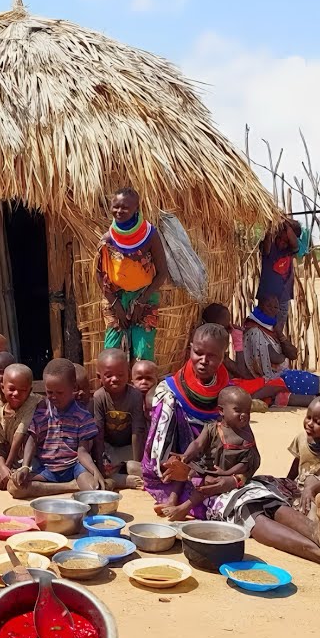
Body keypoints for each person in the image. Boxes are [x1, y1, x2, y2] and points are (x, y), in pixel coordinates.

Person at [204, 395, 320, 573]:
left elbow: (248, 462)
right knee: (255, 507)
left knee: (265, 499)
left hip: (246, 488)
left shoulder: (234, 431)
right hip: (233, 492)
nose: (244, 417)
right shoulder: (210, 431)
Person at [140, 323, 233, 517]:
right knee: (167, 403)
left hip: (209, 457)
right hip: (178, 451)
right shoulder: (173, 387)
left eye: (212, 356)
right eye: (198, 352)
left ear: (223, 356)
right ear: (190, 348)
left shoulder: (228, 393)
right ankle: (173, 493)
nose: (203, 360)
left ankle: (180, 495)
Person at [8, 359, 106, 499]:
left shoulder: (82, 416)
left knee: (94, 489)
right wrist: (25, 466)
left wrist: (95, 471)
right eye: (49, 392)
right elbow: (32, 440)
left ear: (73, 388)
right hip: (47, 469)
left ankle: (77, 485)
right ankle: (70, 487)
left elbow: (82, 451)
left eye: (59, 392)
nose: (53, 397)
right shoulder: (42, 412)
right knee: (14, 487)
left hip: (75, 468)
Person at [159, 386, 260, 521]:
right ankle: (172, 499)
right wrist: (186, 457)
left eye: (247, 412)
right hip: (209, 465)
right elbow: (197, 444)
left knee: (207, 484)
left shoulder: (245, 434)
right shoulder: (212, 428)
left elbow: (245, 463)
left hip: (230, 473)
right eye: (238, 411)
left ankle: (184, 508)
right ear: (221, 411)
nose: (244, 415)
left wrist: (225, 474)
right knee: (184, 468)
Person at [96, 187, 169, 363]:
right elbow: (99, 275)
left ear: (137, 208)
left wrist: (141, 301)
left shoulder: (150, 235)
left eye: (125, 208)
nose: (119, 211)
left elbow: (162, 273)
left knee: (143, 353)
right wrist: (116, 305)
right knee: (111, 355)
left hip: (145, 296)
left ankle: (142, 390)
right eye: (116, 206)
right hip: (116, 298)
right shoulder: (107, 239)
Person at [91, 349, 146, 489]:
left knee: (134, 466)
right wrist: (99, 464)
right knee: (101, 465)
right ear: (99, 377)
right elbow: (99, 432)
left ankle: (122, 474)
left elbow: (137, 431)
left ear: (128, 374)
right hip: (109, 449)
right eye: (109, 375)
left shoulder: (135, 396)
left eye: (120, 374)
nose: (115, 379)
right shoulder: (99, 397)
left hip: (129, 447)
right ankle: (119, 477)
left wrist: (136, 461)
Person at [0, 363, 40, 487]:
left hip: (29, 460)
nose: (16, 394)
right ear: (2, 387)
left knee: (20, 482)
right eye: (12, 389)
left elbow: (20, 433)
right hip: (10, 460)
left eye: (23, 390)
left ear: (30, 391)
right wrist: (3, 467)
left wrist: (7, 465)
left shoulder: (33, 403)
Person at [257, 219, 301, 334]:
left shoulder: (290, 250)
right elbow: (266, 247)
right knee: (262, 332)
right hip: (266, 300)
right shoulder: (269, 246)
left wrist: (286, 225)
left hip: (282, 300)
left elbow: (295, 243)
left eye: (286, 241)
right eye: (280, 238)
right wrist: (271, 228)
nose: (282, 242)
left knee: (277, 334)